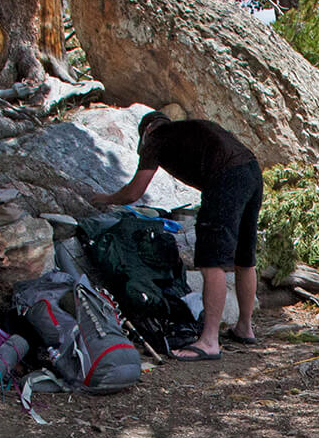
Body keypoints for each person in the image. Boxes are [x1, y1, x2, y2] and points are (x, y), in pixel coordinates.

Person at [97, 111, 261, 362]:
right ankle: (244, 328)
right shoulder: (187, 129)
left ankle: (209, 342)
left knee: (211, 262)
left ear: (147, 130)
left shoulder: (156, 138)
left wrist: (106, 199)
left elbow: (134, 192)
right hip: (252, 172)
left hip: (225, 177)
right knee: (244, 257)